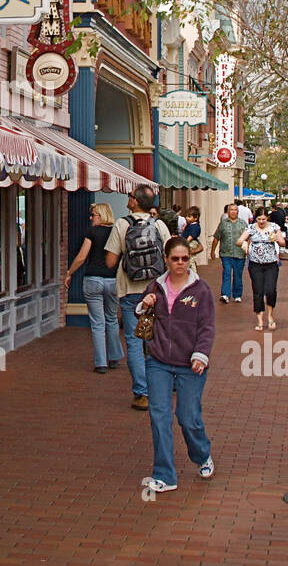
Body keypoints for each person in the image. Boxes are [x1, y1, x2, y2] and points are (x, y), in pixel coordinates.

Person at [135, 236, 216, 493]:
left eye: (184, 258)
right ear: (166, 260)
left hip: (190, 363)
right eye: (175, 259)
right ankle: (164, 474)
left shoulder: (200, 290)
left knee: (188, 417)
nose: (180, 263)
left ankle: (202, 454)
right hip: (158, 361)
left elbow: (207, 327)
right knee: (159, 417)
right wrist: (144, 303)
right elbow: (143, 314)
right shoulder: (156, 286)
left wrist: (200, 355)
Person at [104, 187, 171, 410]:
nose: (128, 199)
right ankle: (162, 386)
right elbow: (169, 258)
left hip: (131, 292)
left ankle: (142, 393)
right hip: (156, 292)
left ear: (135, 202)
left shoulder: (122, 225)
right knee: (156, 340)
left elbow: (111, 262)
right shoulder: (159, 225)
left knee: (134, 342)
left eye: (131, 197)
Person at [64, 203, 124, 373]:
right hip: (112, 280)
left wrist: (69, 272)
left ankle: (101, 363)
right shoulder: (116, 232)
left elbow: (82, 256)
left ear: (102, 215)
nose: (91, 218)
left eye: (94, 215)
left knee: (98, 323)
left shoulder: (92, 232)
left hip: (93, 280)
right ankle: (114, 358)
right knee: (111, 319)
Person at [238, 208, 286, 331]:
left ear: (267, 218)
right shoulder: (251, 228)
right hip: (255, 264)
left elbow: (283, 243)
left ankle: (270, 315)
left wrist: (277, 238)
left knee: (270, 290)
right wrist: (243, 243)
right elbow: (239, 240)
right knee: (258, 291)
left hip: (271, 264)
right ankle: (259, 319)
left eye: (263, 219)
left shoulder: (274, 227)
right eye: (259, 219)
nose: (261, 221)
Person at [210, 201, 247, 303]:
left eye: (235, 210)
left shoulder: (243, 224)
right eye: (231, 210)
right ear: (228, 212)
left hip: (239, 254)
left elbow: (248, 238)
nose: (233, 212)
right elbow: (217, 237)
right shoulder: (223, 223)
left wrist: (248, 249)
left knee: (237, 275)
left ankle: (237, 294)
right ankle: (225, 294)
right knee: (226, 273)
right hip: (226, 253)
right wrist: (213, 251)